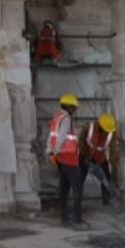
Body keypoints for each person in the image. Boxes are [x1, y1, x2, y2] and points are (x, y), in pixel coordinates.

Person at [47, 93, 86, 228]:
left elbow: (51, 136)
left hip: (59, 157)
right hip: (68, 156)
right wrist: (56, 151)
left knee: (64, 188)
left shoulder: (56, 117)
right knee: (77, 187)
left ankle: (64, 219)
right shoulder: (66, 118)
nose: (75, 110)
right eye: (74, 107)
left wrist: (51, 152)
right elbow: (62, 137)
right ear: (69, 107)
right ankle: (77, 220)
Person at [82, 112, 117, 207]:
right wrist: (84, 157)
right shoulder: (89, 127)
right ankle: (78, 203)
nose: (107, 132)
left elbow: (113, 149)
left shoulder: (110, 132)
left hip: (100, 158)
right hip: (87, 156)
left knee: (106, 178)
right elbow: (81, 142)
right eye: (105, 129)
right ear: (99, 125)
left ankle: (106, 202)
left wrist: (112, 165)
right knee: (79, 179)